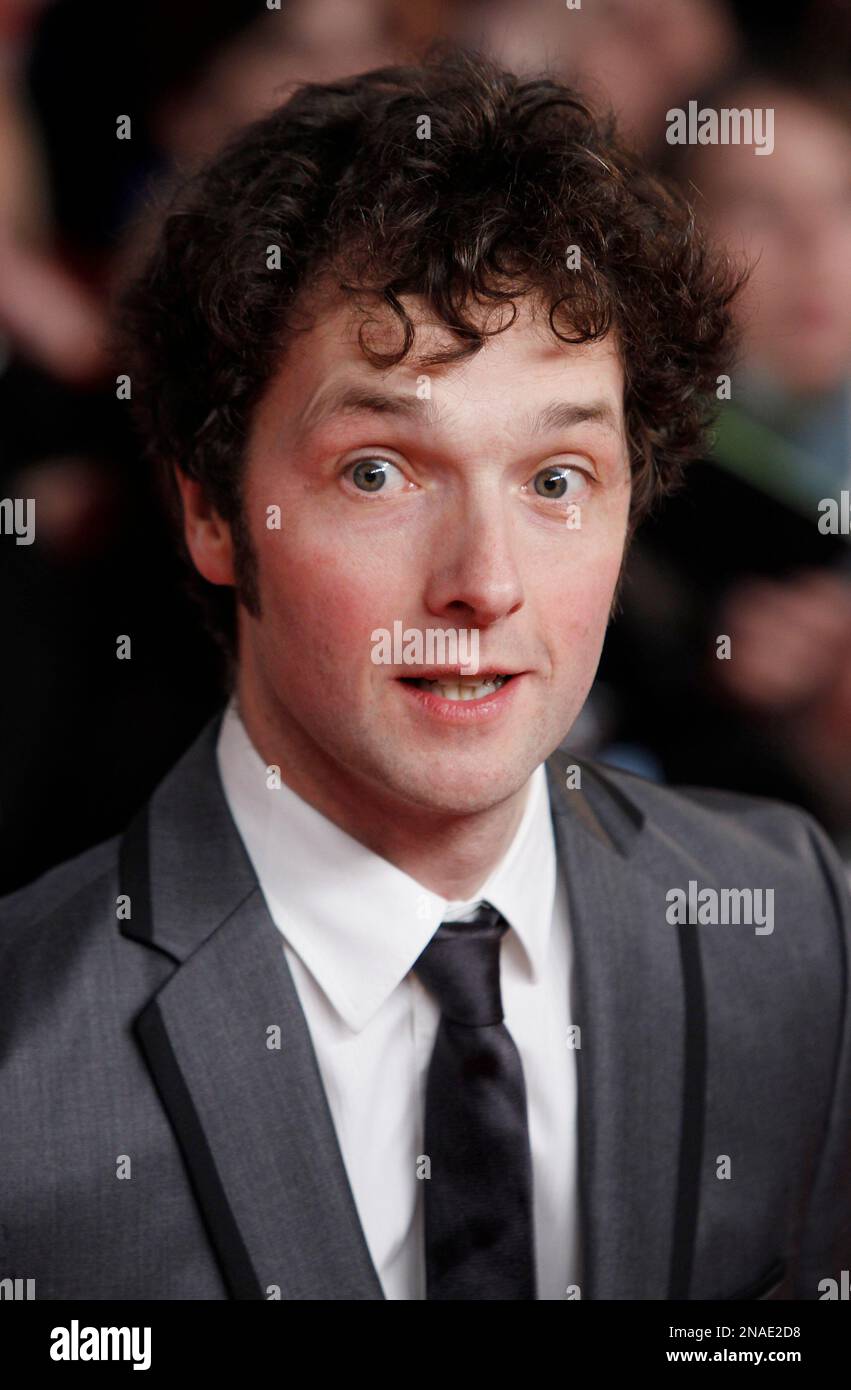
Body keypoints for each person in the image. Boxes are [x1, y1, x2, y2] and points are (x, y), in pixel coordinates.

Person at [1, 46, 849, 1302]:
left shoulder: (800, 931)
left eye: (556, 481)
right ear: (212, 509)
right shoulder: (24, 1066)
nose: (484, 582)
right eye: (380, 472)